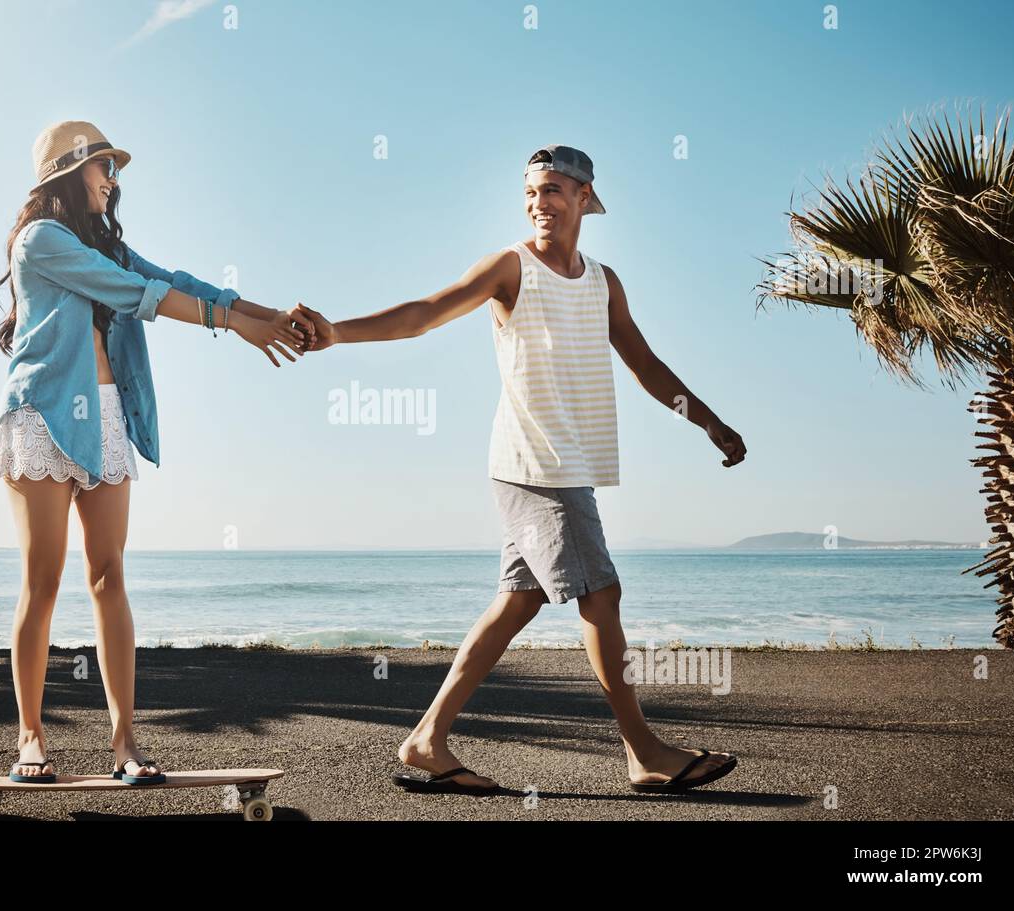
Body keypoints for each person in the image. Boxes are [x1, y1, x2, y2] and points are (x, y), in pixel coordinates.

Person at [292, 145, 745, 795]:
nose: (541, 202)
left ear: (586, 198)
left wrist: (705, 418)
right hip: (535, 465)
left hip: (570, 465)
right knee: (601, 593)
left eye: (556, 190)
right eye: (532, 191)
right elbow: (428, 311)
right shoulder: (513, 267)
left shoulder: (602, 281)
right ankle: (644, 751)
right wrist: (338, 331)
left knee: (518, 600)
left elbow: (644, 364)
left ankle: (426, 739)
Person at [0, 120, 309, 784]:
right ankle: (30, 737)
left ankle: (125, 741)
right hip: (43, 414)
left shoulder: (105, 247)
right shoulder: (41, 241)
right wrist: (238, 328)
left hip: (104, 415)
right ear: (70, 175)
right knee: (42, 582)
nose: (114, 179)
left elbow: (170, 278)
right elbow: (139, 296)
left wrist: (266, 314)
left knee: (109, 576)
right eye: (104, 167)